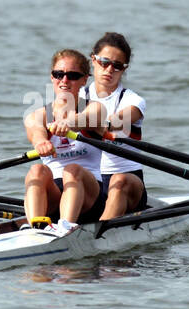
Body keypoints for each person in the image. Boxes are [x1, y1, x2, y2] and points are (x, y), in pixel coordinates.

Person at [23, 50, 107, 234]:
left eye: (73, 75)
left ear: (85, 80)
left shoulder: (95, 108)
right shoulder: (37, 115)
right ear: (52, 77)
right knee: (36, 170)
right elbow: (35, 131)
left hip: (89, 194)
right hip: (53, 193)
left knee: (72, 169)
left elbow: (87, 119)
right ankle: (36, 228)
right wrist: (40, 142)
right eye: (59, 74)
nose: (65, 80)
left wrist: (68, 123)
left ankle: (66, 227)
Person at [84, 32, 146, 219]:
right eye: (104, 62)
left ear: (124, 68)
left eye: (117, 66)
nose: (109, 69)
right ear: (93, 60)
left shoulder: (133, 101)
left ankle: (98, 239)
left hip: (125, 180)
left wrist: (73, 123)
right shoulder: (77, 95)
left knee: (118, 181)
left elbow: (114, 123)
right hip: (91, 181)